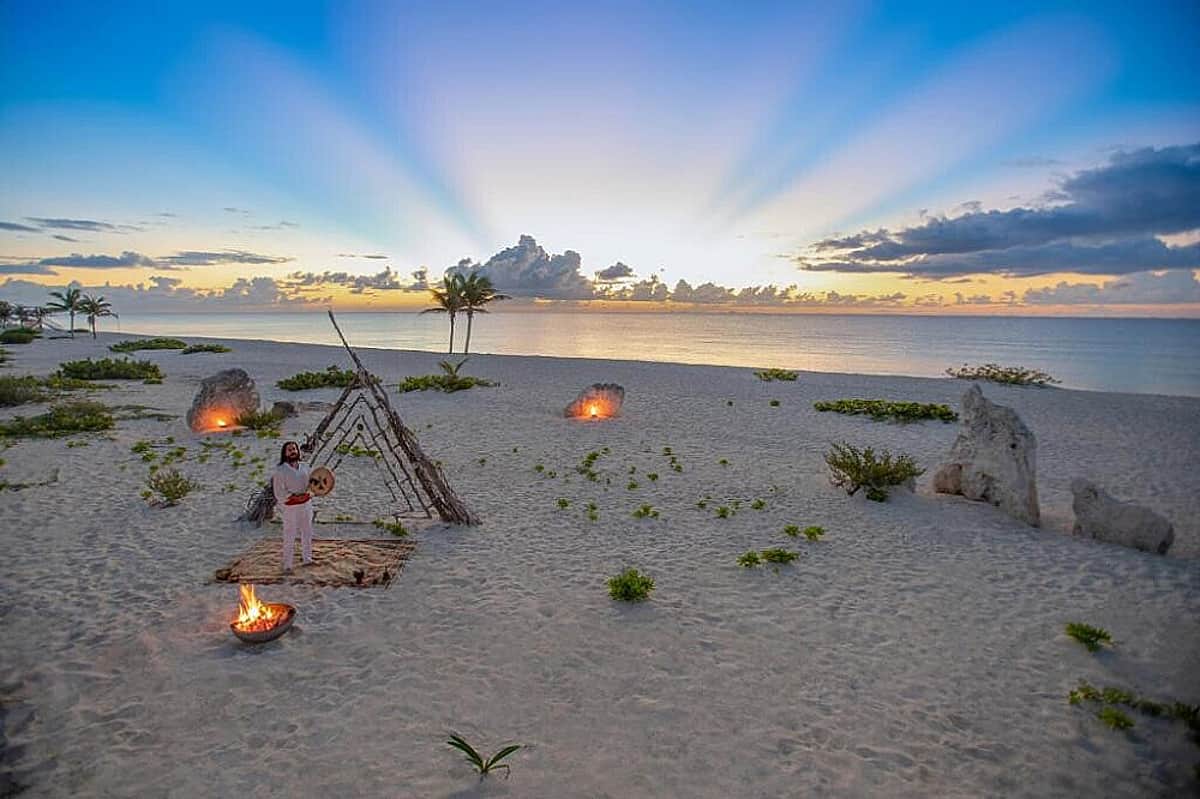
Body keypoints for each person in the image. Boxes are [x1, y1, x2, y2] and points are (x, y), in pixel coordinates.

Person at [273, 440, 313, 572]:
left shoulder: (305, 467)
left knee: (307, 532)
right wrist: (294, 497)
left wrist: (309, 494)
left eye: (294, 449)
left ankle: (307, 559)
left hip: (306, 504)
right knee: (289, 534)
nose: (293, 451)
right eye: (289, 450)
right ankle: (287, 564)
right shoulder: (281, 470)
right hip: (290, 507)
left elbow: (311, 485)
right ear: (285, 453)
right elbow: (279, 492)